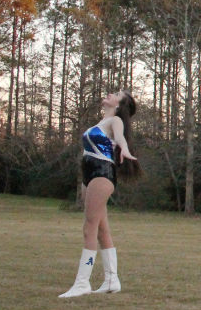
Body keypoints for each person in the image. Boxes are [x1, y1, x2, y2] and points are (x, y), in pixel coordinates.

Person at [59, 91, 141, 298]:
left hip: (102, 174)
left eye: (116, 94)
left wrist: (124, 149)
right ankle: (112, 280)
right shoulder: (101, 121)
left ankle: (82, 282)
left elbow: (120, 137)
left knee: (89, 228)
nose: (110, 94)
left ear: (120, 104)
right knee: (102, 231)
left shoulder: (115, 121)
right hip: (90, 175)